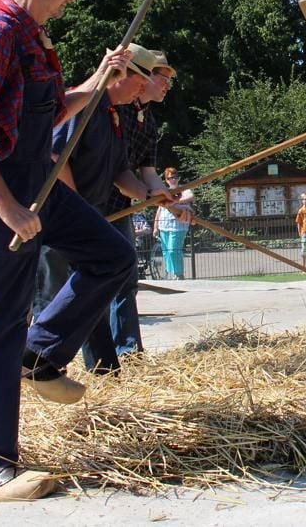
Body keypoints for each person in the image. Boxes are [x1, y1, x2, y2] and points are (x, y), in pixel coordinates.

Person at [0, 0, 136, 501]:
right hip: (2, 196)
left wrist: (99, 81)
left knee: (114, 255)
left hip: (42, 186)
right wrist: (4, 205)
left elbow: (55, 109)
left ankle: (42, 352)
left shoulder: (31, 37)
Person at [32, 51, 164, 375]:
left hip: (86, 215)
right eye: (140, 81)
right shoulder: (84, 105)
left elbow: (122, 175)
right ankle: (37, 366)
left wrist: (153, 195)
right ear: (122, 74)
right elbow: (55, 157)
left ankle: (105, 372)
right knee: (53, 292)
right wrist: (77, 212)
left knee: (92, 294)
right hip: (59, 218)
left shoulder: (114, 115)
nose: (141, 90)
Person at [105, 48, 183, 354]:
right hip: (97, 205)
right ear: (146, 76)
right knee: (92, 279)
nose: (166, 86)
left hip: (124, 207)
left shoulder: (148, 120)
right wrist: (151, 197)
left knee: (126, 278)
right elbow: (114, 170)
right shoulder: (117, 109)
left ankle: (128, 351)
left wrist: (171, 205)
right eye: (164, 78)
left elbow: (148, 173)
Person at [153, 166, 193, 279]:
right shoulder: (164, 192)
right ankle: (171, 273)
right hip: (163, 225)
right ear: (166, 180)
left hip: (178, 226)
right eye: (171, 178)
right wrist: (155, 227)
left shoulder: (184, 189)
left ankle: (179, 274)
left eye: (175, 177)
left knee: (173, 250)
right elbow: (159, 209)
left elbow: (191, 197)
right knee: (166, 251)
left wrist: (175, 201)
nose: (173, 179)